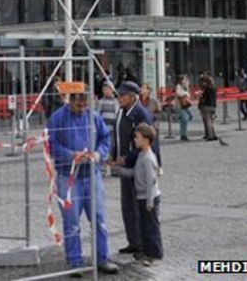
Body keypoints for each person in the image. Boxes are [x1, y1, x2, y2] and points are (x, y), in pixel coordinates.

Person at [46, 87, 120, 276]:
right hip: (68, 177)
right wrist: (71, 155)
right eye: (78, 105)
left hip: (92, 175)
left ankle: (102, 258)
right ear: (70, 100)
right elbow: (51, 145)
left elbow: (105, 138)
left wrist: (99, 153)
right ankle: (74, 261)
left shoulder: (93, 116)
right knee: (71, 222)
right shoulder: (57, 118)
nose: (82, 108)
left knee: (99, 220)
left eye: (84, 104)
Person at [110, 80, 160, 258]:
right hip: (124, 164)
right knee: (127, 206)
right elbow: (117, 136)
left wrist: (156, 163)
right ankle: (133, 241)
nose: (119, 98)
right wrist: (113, 155)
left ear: (132, 97)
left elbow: (148, 141)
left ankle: (142, 244)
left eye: (122, 95)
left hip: (137, 165)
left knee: (138, 205)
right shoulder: (122, 111)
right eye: (119, 95)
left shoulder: (141, 114)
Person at [112, 123, 163, 267]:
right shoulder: (141, 154)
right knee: (144, 227)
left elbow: (150, 182)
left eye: (137, 137)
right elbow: (134, 173)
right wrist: (118, 169)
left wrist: (149, 202)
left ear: (146, 140)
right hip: (142, 197)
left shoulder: (147, 158)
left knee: (151, 227)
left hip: (149, 198)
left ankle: (154, 254)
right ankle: (146, 252)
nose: (134, 139)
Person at [197, 73, 219, 142]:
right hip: (213, 106)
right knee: (211, 121)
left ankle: (210, 136)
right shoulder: (214, 88)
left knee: (208, 122)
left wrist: (200, 96)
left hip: (206, 106)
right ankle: (213, 135)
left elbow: (204, 98)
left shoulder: (206, 89)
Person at [175, 74, 192, 141]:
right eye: (184, 79)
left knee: (185, 119)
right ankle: (183, 135)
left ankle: (183, 134)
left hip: (185, 105)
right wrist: (186, 93)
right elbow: (179, 93)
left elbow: (189, 94)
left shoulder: (185, 86)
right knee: (184, 119)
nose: (185, 80)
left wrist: (187, 87)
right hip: (180, 105)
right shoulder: (178, 86)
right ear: (181, 80)